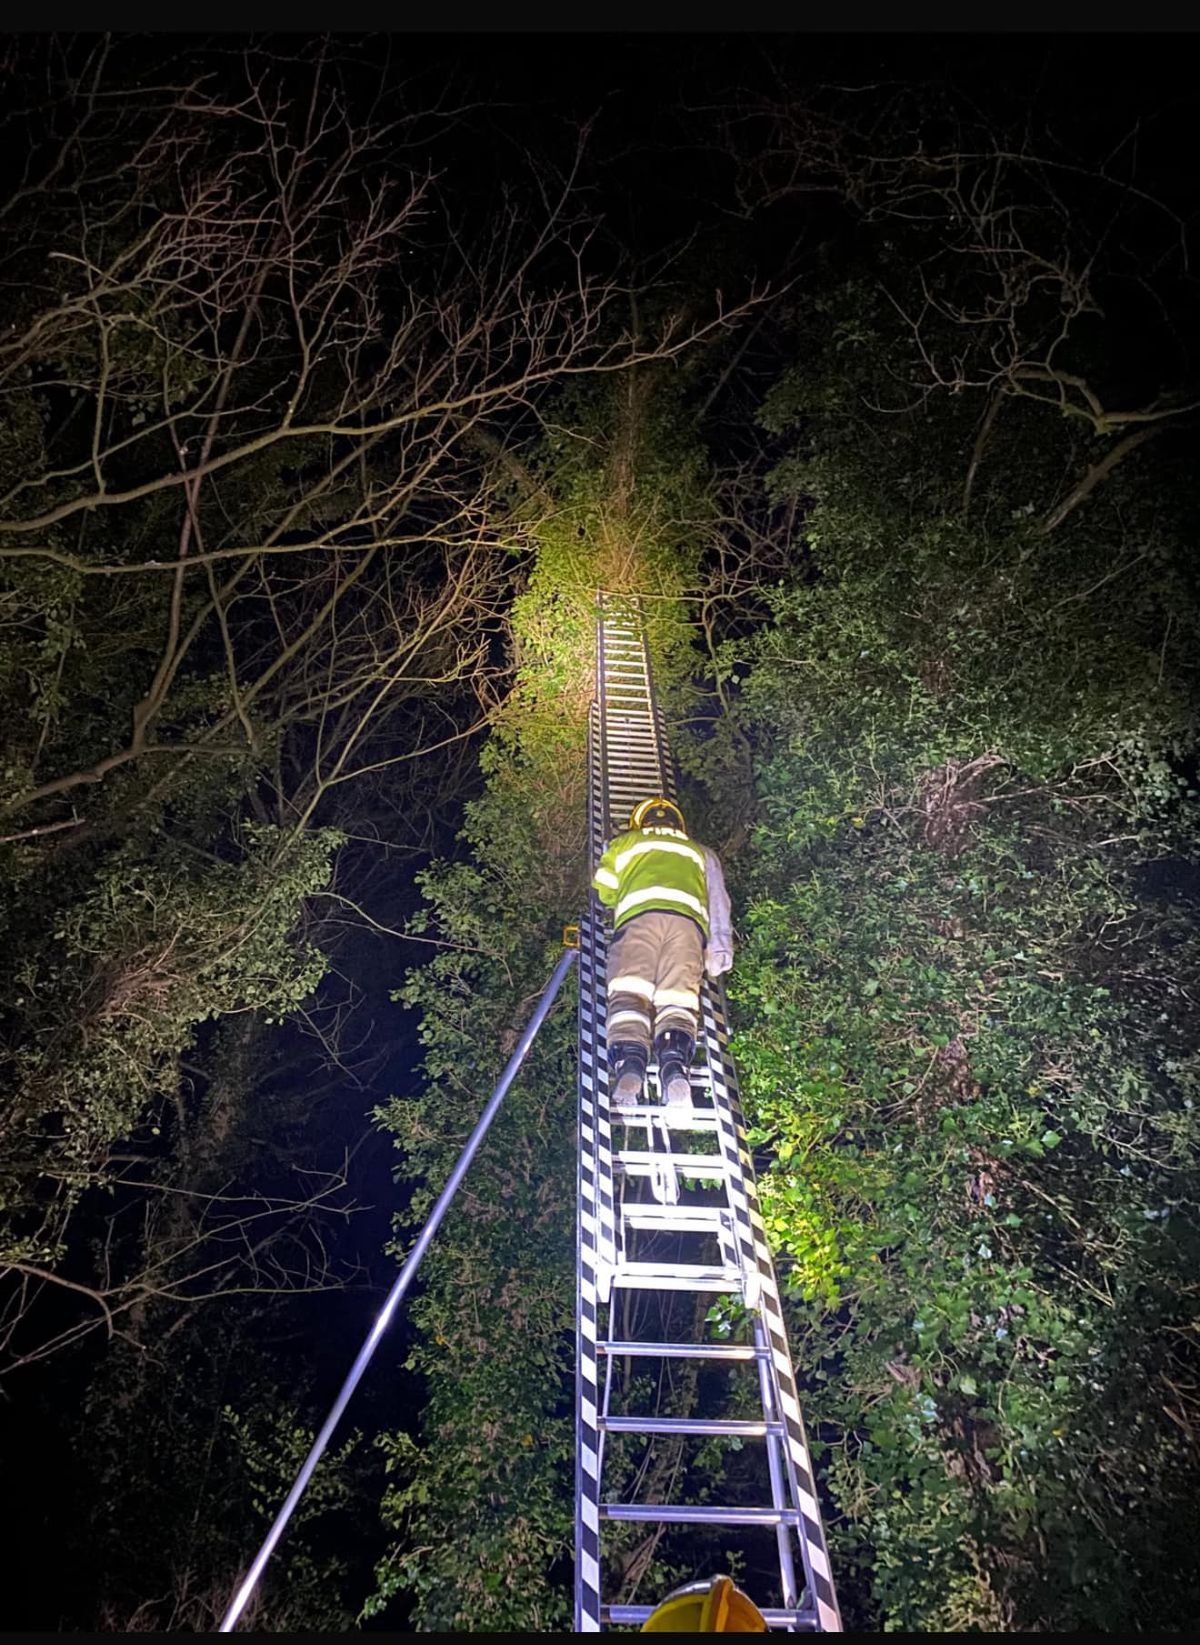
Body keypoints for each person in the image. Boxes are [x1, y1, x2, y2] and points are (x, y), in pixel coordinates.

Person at [592, 796, 733, 1109]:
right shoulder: (701, 852)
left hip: (640, 923)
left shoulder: (625, 843)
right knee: (678, 1001)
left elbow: (604, 889)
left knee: (629, 995)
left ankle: (630, 1065)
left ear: (641, 823)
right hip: (687, 930)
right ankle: (673, 1069)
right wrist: (720, 949)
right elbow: (719, 901)